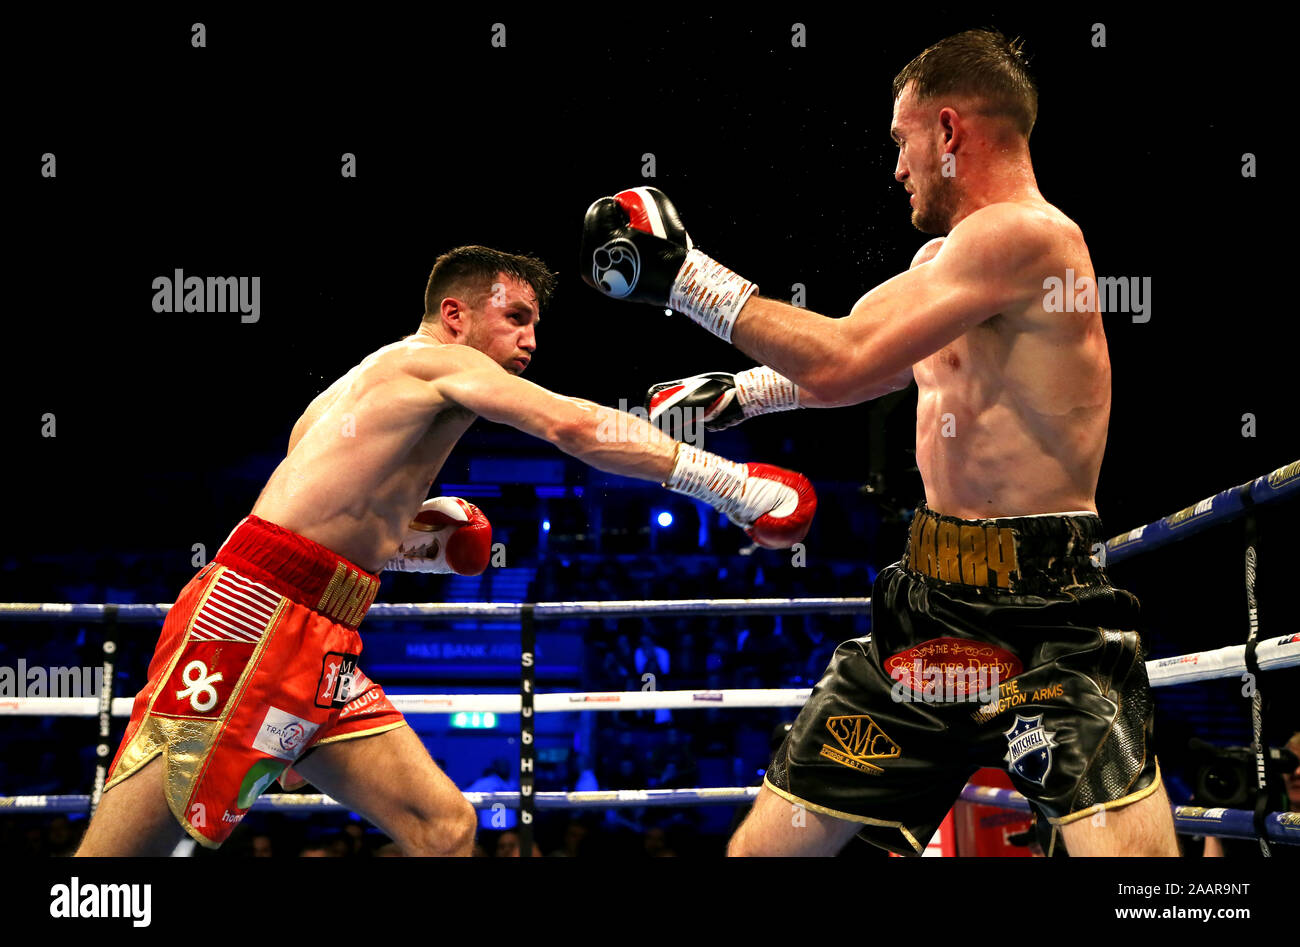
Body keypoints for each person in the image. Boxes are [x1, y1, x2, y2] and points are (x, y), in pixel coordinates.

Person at [580, 30, 1177, 856]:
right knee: (764, 851)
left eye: (901, 142)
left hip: (1051, 617)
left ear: (948, 130)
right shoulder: (947, 259)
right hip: (930, 602)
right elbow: (864, 363)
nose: (896, 167)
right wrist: (743, 393)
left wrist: (683, 276)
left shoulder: (1032, 239)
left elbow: (843, 359)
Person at [76, 245, 815, 856]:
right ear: (455, 315)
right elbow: (576, 427)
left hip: (322, 638)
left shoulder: (349, 396)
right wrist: (730, 484)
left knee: (446, 830)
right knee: (114, 871)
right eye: (516, 316)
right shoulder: (436, 362)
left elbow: (330, 527)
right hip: (252, 620)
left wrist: (420, 548)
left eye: (537, 323)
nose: (531, 339)